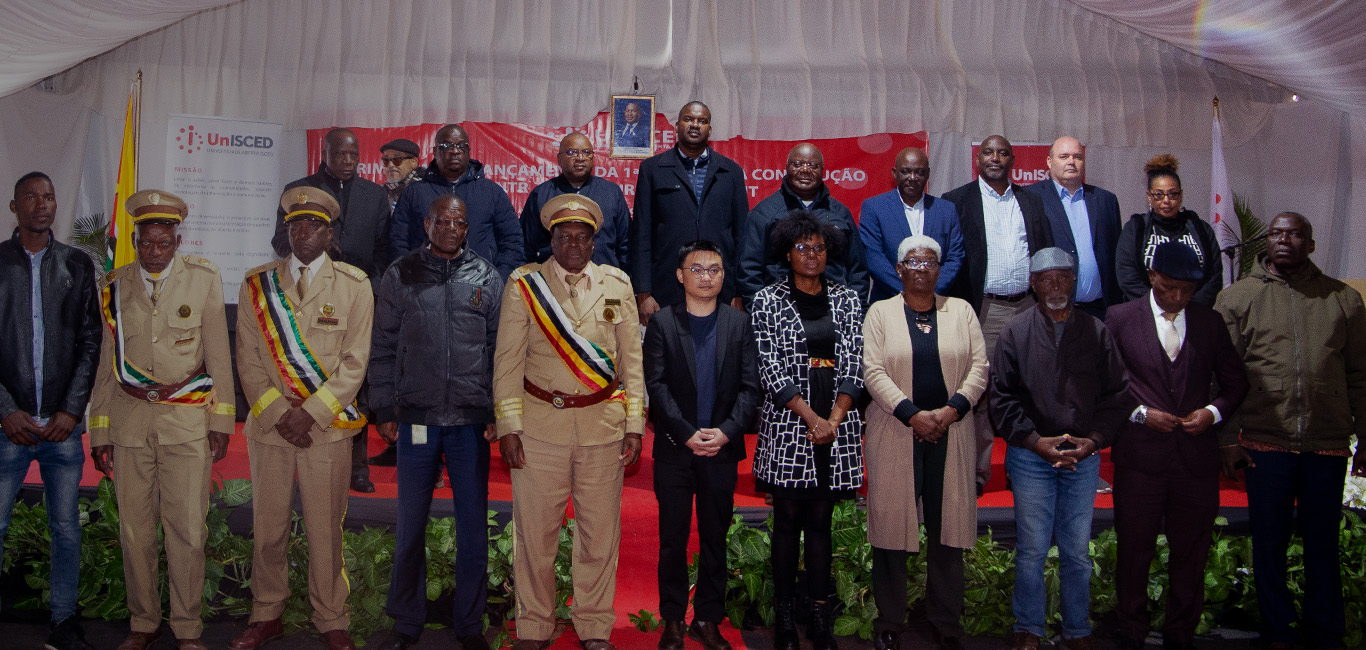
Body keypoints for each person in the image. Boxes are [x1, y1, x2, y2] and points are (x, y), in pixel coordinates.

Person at [492, 195, 645, 650]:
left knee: (599, 534)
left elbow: (632, 362)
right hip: (540, 427)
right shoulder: (525, 286)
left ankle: (594, 625)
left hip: (603, 428)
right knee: (535, 535)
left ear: (594, 242)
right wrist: (508, 427)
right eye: (564, 236)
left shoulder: (617, 284)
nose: (574, 244)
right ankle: (536, 625)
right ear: (551, 239)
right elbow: (506, 362)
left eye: (582, 237)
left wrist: (635, 423)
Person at [87, 190, 234, 650]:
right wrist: (101, 429)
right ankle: (143, 622)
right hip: (130, 424)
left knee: (189, 529)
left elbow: (218, 356)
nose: (154, 252)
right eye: (145, 243)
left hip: (186, 422)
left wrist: (223, 421)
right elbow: (107, 364)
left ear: (177, 239)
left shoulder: (204, 279)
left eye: (163, 243)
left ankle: (187, 627)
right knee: (135, 531)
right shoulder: (113, 285)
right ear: (134, 239)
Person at [1215, 212, 1366, 650]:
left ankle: (1325, 631)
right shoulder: (1237, 298)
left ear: (1311, 244)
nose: (1285, 240)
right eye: (1277, 233)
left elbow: (1360, 374)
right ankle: (1277, 629)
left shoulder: (1343, 299)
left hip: (1327, 442)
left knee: (1323, 543)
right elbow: (1221, 376)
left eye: (1295, 234)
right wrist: (1227, 438)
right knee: (1269, 543)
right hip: (1266, 441)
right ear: (1267, 242)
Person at [231, 187, 374, 650]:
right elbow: (248, 360)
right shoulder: (257, 285)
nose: (303, 232)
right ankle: (266, 611)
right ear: (286, 229)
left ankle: (331, 615)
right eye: (295, 224)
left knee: (325, 526)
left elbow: (355, 362)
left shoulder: (354, 284)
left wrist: (309, 414)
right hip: (271, 428)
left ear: (329, 233)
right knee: (268, 525)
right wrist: (279, 413)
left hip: (326, 430)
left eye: (313, 225)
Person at [368, 194, 502, 650]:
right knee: (410, 526)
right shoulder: (400, 274)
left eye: (458, 222)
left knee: (472, 531)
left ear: (467, 228)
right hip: (416, 419)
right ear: (427, 224)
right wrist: (384, 409)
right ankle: (407, 621)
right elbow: (382, 345)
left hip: (469, 422)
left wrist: (497, 412)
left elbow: (499, 352)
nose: (449, 227)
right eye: (441, 220)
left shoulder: (486, 276)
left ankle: (469, 626)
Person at [1105, 242, 1248, 650]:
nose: (1178, 297)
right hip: (1139, 459)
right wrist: (1139, 413)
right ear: (1152, 277)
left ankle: (1180, 632)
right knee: (1134, 552)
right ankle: (1131, 630)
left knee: (1192, 553)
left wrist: (1213, 413)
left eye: (1187, 290)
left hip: (1195, 462)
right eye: (1170, 288)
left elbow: (1236, 382)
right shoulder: (1119, 318)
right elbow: (1103, 383)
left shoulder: (1210, 322)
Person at [988, 247, 1131, 650]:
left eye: (1063, 277)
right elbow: (1002, 399)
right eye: (1046, 279)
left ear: (1074, 280)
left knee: (1076, 552)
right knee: (1032, 550)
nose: (1055, 285)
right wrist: (1036, 442)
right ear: (1033, 285)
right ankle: (1029, 627)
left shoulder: (1097, 330)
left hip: (1082, 458)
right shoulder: (1015, 332)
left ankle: (1077, 630)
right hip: (1032, 455)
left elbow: (1117, 396)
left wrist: (1094, 442)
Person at [862, 235, 988, 650]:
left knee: (947, 529)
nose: (921, 269)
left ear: (940, 270)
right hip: (896, 431)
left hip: (952, 433)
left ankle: (946, 622)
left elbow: (979, 368)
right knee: (891, 529)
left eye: (929, 262)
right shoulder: (880, 312)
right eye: (912, 262)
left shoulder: (962, 311)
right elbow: (872, 370)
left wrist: (949, 412)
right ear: (898, 270)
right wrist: (912, 415)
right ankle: (890, 621)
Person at [750, 210, 865, 650]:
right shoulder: (766, 300)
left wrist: (832, 420)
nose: (811, 255)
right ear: (787, 252)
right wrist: (811, 418)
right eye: (802, 247)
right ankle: (784, 616)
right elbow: (770, 368)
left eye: (818, 247)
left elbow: (854, 362)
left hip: (838, 423)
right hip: (789, 423)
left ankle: (820, 615)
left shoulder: (849, 299)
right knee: (787, 521)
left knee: (821, 523)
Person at [643, 240, 761, 650]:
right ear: (680, 276)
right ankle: (673, 618)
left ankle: (708, 618)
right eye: (697, 269)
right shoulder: (661, 323)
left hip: (722, 450)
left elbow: (751, 387)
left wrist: (727, 431)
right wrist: (685, 432)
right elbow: (655, 385)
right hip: (676, 449)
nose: (706, 276)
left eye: (714, 269)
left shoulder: (738, 323)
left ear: (724, 276)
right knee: (672, 538)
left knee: (715, 537)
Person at [0, 171, 100, 650]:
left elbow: (89, 342)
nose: (43, 205)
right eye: (32, 198)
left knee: (65, 528)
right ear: (14, 207)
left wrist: (71, 410)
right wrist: (5, 410)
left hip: (62, 430)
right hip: (8, 428)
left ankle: (63, 620)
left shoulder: (77, 265)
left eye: (50, 197)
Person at [269, 127, 387, 493]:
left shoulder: (376, 195)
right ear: (325, 153)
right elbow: (278, 240)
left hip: (357, 298)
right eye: (340, 155)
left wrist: (374, 292)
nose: (348, 162)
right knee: (307, 374)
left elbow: (384, 251)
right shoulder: (298, 190)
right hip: (307, 298)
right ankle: (298, 452)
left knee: (356, 380)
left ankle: (357, 466)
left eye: (354, 155)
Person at [942, 134, 1054, 494]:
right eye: (988, 152)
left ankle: (1027, 469)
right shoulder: (957, 201)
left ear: (1012, 159)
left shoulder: (1033, 202)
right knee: (979, 392)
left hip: (1027, 307)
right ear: (978, 159)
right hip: (983, 308)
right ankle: (976, 473)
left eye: (1002, 152)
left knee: (1030, 389)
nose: (995, 158)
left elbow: (1045, 254)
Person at [630, 101, 749, 322]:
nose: (695, 125)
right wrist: (644, 292)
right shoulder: (653, 170)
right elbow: (641, 235)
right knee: (670, 353)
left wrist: (739, 292)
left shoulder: (731, 172)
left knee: (718, 354)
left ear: (709, 130)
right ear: (676, 125)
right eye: (688, 119)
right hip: (666, 287)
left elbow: (741, 237)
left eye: (702, 121)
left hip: (720, 288)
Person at [740, 142, 868, 307]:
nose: (805, 170)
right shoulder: (764, 213)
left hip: (834, 309)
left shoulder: (840, 213)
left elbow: (858, 270)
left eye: (813, 165)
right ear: (786, 168)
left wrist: (855, 311)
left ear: (822, 171)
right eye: (798, 164)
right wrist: (762, 313)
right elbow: (749, 271)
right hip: (781, 311)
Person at [390, 123, 523, 277]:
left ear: (469, 151)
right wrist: (409, 277)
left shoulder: (492, 192)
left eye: (461, 146)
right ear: (434, 151)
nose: (454, 151)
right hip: (423, 286)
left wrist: (497, 280)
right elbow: (397, 241)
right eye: (446, 146)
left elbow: (512, 241)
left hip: (479, 286)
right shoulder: (414, 192)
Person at [1023, 136, 1123, 318]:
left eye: (1077, 156)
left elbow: (1117, 256)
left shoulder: (1105, 200)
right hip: (1051, 310)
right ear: (1049, 161)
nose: (1071, 162)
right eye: (1064, 156)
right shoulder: (1030, 198)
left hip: (1101, 310)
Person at [858, 147, 964, 302]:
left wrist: (931, 291)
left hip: (936, 302)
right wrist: (908, 293)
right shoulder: (874, 208)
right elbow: (874, 258)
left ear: (927, 174)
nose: (913, 177)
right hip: (890, 301)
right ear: (895, 173)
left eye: (919, 172)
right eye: (906, 171)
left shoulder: (946, 210)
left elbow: (955, 257)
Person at [1115, 154, 1222, 306]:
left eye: (1172, 194)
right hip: (1149, 314)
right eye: (1159, 194)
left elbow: (1214, 275)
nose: (1166, 200)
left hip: (1194, 314)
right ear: (1149, 197)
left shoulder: (1201, 229)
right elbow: (1127, 276)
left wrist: (1188, 308)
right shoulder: (1135, 228)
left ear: (1181, 195)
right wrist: (1158, 308)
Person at [522, 132, 631, 268]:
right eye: (572, 152)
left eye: (586, 152)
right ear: (559, 159)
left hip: (602, 282)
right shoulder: (541, 194)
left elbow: (626, 246)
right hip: (552, 282)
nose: (580, 158)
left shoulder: (611, 192)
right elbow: (526, 247)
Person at [379, 138, 424, 208]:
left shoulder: (424, 190)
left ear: (414, 162)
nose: (390, 164)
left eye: (397, 159)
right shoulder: (380, 192)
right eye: (386, 160)